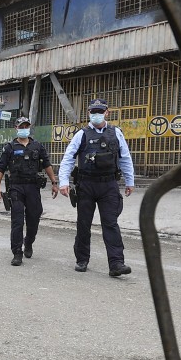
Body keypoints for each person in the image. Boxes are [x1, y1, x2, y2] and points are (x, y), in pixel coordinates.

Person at [58, 98, 135, 276]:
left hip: (109, 185)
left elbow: (125, 158)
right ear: (88, 113)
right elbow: (68, 158)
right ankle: (82, 259)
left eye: (100, 111)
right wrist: (64, 182)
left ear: (107, 112)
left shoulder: (116, 133)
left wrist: (130, 181)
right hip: (86, 185)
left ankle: (116, 263)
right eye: (93, 112)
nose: (96, 115)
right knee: (83, 224)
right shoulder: (82, 134)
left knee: (111, 224)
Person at [0, 117, 58, 266]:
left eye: (26, 126)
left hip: (33, 188)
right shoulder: (9, 147)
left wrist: (54, 182)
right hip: (16, 187)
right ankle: (17, 252)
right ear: (16, 129)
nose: (24, 128)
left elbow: (47, 164)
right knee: (17, 220)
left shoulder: (37, 146)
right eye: (21, 126)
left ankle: (28, 242)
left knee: (34, 218)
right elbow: (0, 169)